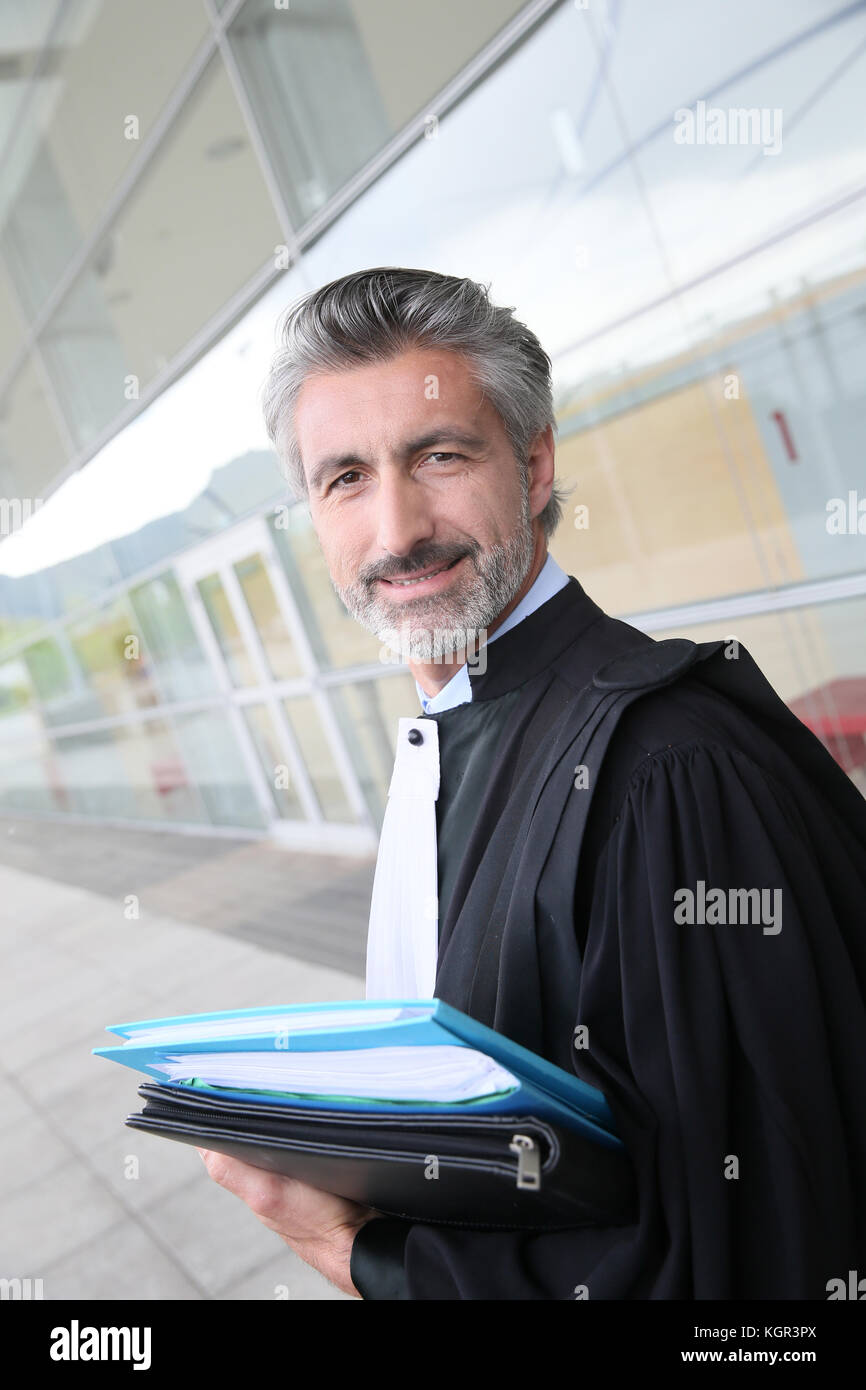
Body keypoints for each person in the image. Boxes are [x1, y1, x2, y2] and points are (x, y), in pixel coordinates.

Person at [197, 267, 866, 1300]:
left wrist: (360, 1253)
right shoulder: (451, 732)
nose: (397, 528)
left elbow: (752, 1262)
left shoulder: (666, 770)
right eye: (344, 479)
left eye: (438, 454)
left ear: (535, 461)